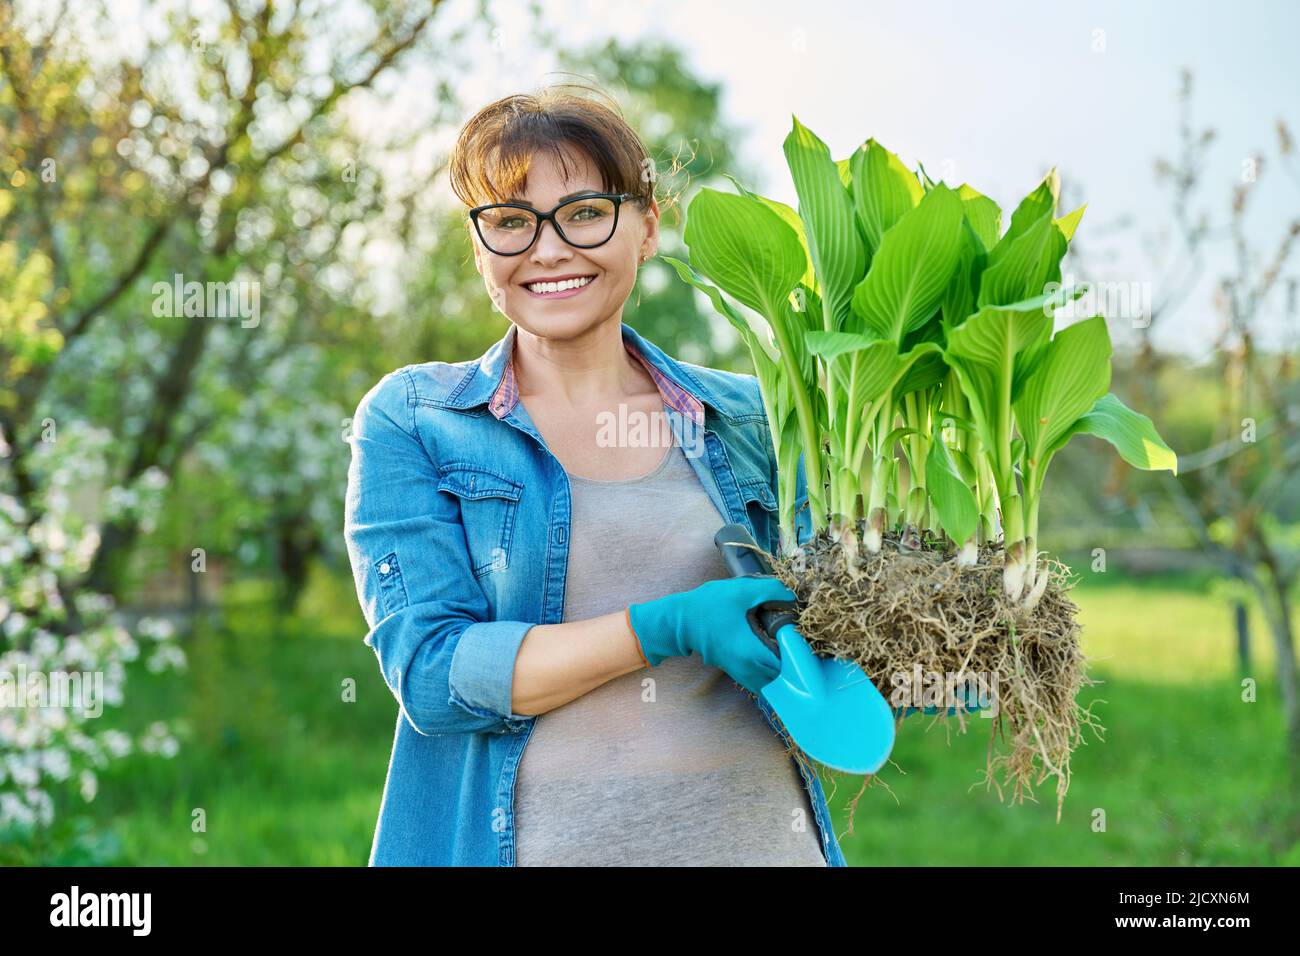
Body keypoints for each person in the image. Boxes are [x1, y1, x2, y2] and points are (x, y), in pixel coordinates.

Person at [343, 82, 844, 866]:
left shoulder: (756, 417)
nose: (547, 250)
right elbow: (435, 676)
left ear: (645, 227)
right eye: (510, 222)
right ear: (480, 250)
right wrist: (665, 627)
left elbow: (828, 631)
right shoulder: (418, 420)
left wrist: (934, 645)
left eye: (583, 213)